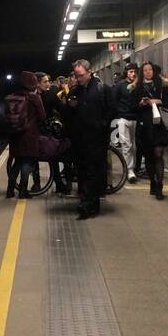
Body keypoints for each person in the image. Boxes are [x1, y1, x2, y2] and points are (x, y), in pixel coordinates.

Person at [65, 59, 111, 219]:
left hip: (97, 139)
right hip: (80, 139)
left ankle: (87, 204)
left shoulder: (102, 89)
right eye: (76, 76)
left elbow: (111, 110)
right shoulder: (74, 92)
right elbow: (68, 116)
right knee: (83, 171)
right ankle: (91, 203)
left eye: (81, 75)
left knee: (94, 171)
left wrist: (102, 125)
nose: (78, 78)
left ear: (89, 72)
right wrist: (70, 107)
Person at [131, 62, 168, 200]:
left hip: (159, 124)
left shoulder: (163, 86)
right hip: (144, 125)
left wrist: (155, 101)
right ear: (141, 73)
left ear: (154, 71)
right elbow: (132, 108)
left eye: (150, 70)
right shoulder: (136, 88)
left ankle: (160, 185)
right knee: (149, 156)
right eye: (145, 70)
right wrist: (141, 103)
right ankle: (153, 183)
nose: (148, 72)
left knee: (158, 154)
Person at [5, 71, 46, 199]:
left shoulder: (10, 97)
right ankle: (23, 191)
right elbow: (42, 116)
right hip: (29, 135)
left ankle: (10, 191)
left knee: (16, 162)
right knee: (27, 163)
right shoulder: (34, 98)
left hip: (14, 134)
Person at [110, 63, 139, 183]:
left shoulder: (138, 85)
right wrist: (119, 113)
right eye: (130, 71)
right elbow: (114, 101)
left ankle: (134, 167)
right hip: (123, 119)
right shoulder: (120, 86)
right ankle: (129, 170)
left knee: (135, 146)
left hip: (136, 118)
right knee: (126, 145)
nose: (133, 74)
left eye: (134, 71)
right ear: (126, 72)